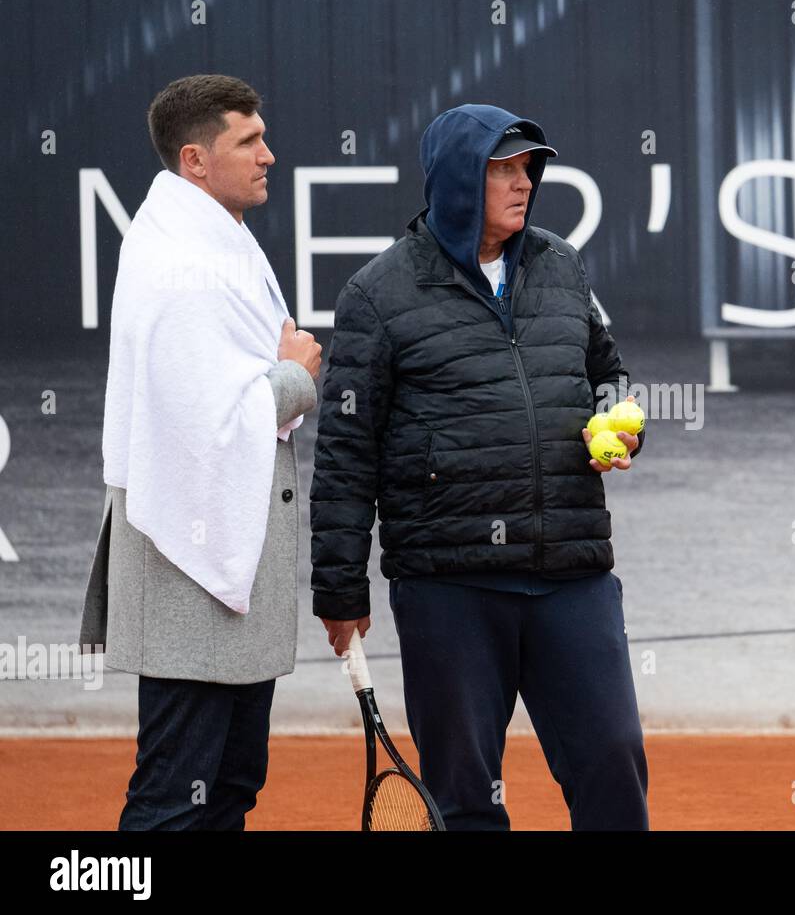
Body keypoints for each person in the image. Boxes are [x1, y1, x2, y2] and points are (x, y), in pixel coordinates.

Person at [310, 104, 649, 830]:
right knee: (465, 799)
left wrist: (620, 421)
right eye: (504, 169)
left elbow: (609, 374)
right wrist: (339, 585)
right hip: (450, 586)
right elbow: (345, 450)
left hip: (572, 572)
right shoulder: (377, 294)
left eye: (528, 168)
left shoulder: (561, 265)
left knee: (614, 760)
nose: (523, 182)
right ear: (459, 180)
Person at [80, 74, 321, 830]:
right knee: (172, 801)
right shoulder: (180, 266)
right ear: (195, 159)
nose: (268, 155)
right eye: (248, 142)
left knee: (226, 789)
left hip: (220, 571)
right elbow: (200, 423)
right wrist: (295, 377)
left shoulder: (206, 244)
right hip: (189, 576)